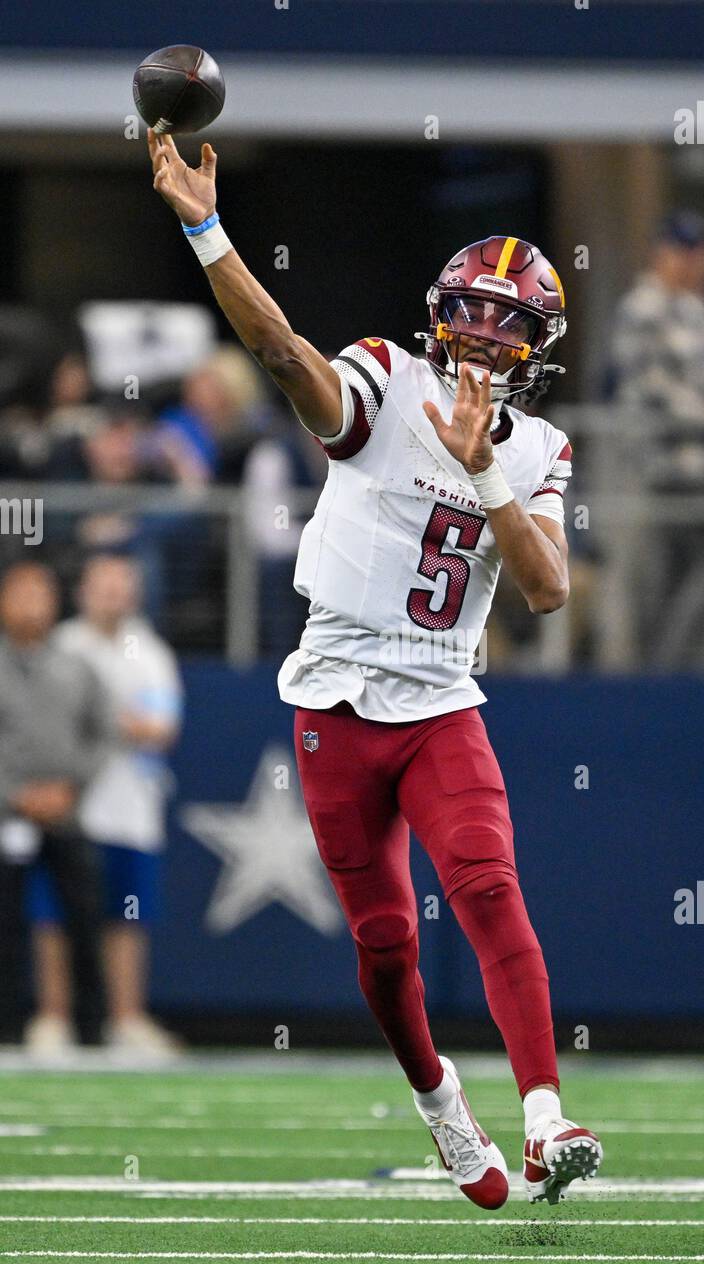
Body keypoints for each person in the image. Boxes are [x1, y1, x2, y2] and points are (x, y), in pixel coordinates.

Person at [147, 129, 602, 1207]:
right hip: (336, 696)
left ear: (537, 347)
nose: (486, 343)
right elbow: (279, 352)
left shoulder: (538, 448)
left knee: (488, 886)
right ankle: (441, 1106)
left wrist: (482, 462)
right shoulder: (386, 379)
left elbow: (544, 589)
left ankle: (544, 1117)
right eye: (475, 320)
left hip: (442, 697)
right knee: (388, 941)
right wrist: (205, 228)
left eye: (511, 327)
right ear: (440, 320)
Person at [26, 554, 184, 1057]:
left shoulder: (151, 653)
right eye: (104, 586)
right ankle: (53, 1017)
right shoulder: (62, 645)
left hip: (131, 808)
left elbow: (160, 730)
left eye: (122, 585)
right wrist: (116, 720)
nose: (113, 595)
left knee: (127, 917)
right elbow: (46, 724)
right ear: (84, 590)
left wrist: (99, 717)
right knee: (54, 915)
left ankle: (126, 1018)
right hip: (71, 803)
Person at [609, 212, 704, 667]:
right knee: (662, 585)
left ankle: (679, 669)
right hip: (662, 469)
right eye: (682, 250)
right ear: (661, 252)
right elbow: (656, 394)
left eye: (700, 252)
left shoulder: (696, 308)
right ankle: (663, 675)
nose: (692, 261)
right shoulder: (642, 307)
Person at [0, 563, 111, 1048]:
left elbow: (103, 733)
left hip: (67, 811)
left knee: (85, 916)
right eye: (20, 594)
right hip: (6, 815)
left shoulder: (76, 666)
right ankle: (7, 1027)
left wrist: (71, 787)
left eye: (39, 593)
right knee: (4, 922)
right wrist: (14, 794)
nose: (30, 604)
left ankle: (93, 1030)